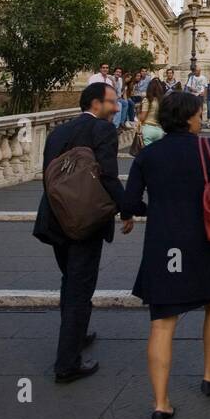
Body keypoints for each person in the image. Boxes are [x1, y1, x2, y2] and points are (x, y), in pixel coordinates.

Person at [120, 91, 210, 419]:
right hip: (204, 240)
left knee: (162, 323)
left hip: (163, 243)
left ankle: (160, 402)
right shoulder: (207, 148)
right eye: (199, 113)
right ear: (188, 117)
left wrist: (151, 208)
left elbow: (129, 204)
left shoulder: (148, 155)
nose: (202, 118)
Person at [34, 82, 135, 384]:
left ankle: (77, 334)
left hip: (55, 216)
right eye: (111, 102)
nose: (116, 108)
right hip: (85, 220)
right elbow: (107, 175)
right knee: (80, 286)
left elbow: (48, 174)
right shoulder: (102, 131)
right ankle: (67, 363)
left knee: (70, 279)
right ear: (95, 103)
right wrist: (127, 209)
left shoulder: (58, 131)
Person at [137, 77, 167, 146]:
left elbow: (142, 117)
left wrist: (138, 113)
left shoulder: (147, 100)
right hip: (159, 131)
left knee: (148, 154)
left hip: (147, 129)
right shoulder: (161, 102)